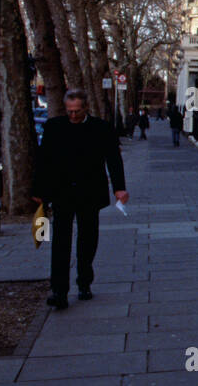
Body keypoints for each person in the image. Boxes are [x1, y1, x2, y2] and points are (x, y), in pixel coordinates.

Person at [31, 89, 128, 309]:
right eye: (69, 111)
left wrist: (119, 188)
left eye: (77, 111)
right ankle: (59, 290)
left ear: (86, 108)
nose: (73, 115)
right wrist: (39, 190)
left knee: (87, 239)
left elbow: (113, 159)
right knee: (60, 242)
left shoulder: (101, 128)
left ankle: (84, 281)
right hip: (62, 192)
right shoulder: (54, 127)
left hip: (90, 192)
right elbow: (43, 160)